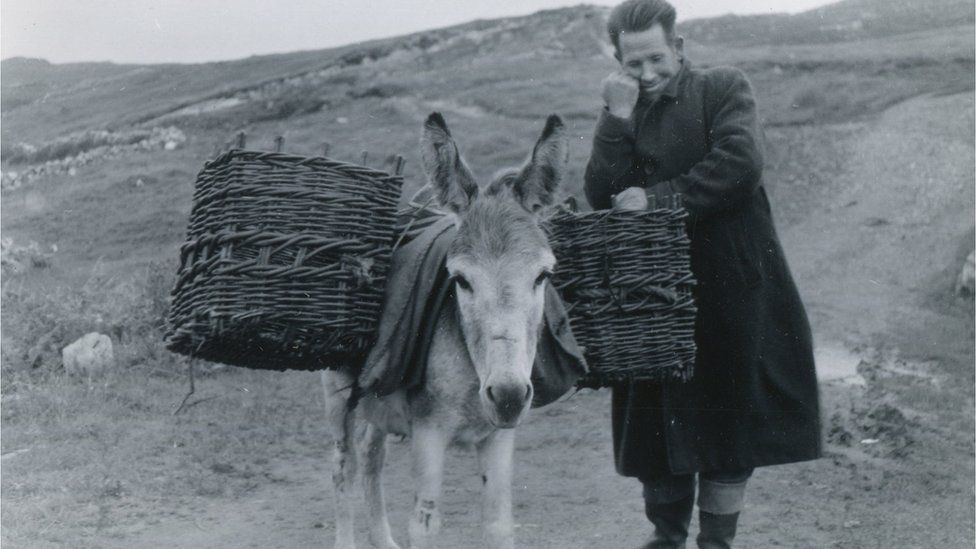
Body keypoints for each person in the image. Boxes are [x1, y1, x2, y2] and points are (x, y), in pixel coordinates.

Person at [583, 1, 822, 547]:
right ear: (618, 63)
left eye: (656, 59)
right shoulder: (625, 108)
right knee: (654, 425)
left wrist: (662, 199)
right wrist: (614, 120)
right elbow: (601, 194)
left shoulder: (721, 88)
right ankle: (665, 538)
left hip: (731, 283)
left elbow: (741, 162)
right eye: (632, 64)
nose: (645, 75)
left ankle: (716, 542)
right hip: (652, 296)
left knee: (728, 423)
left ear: (679, 49)